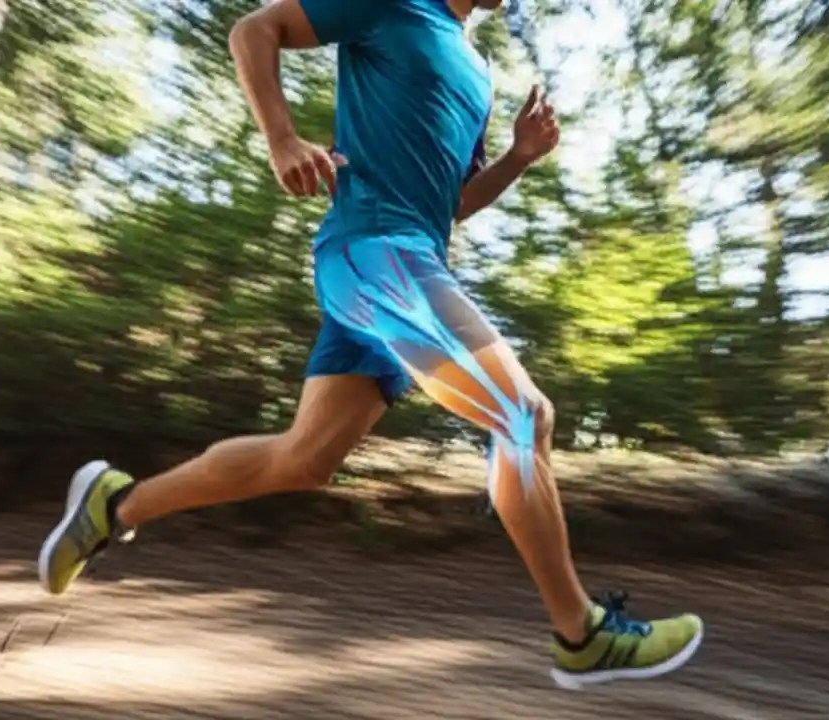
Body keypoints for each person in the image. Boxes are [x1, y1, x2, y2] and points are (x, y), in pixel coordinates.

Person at [37, 0, 702, 690]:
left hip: (406, 266)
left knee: (305, 458)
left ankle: (115, 506)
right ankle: (581, 634)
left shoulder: (475, 70)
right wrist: (282, 139)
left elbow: (452, 204)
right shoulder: (392, 3)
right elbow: (253, 30)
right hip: (376, 256)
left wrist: (517, 158)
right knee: (522, 415)